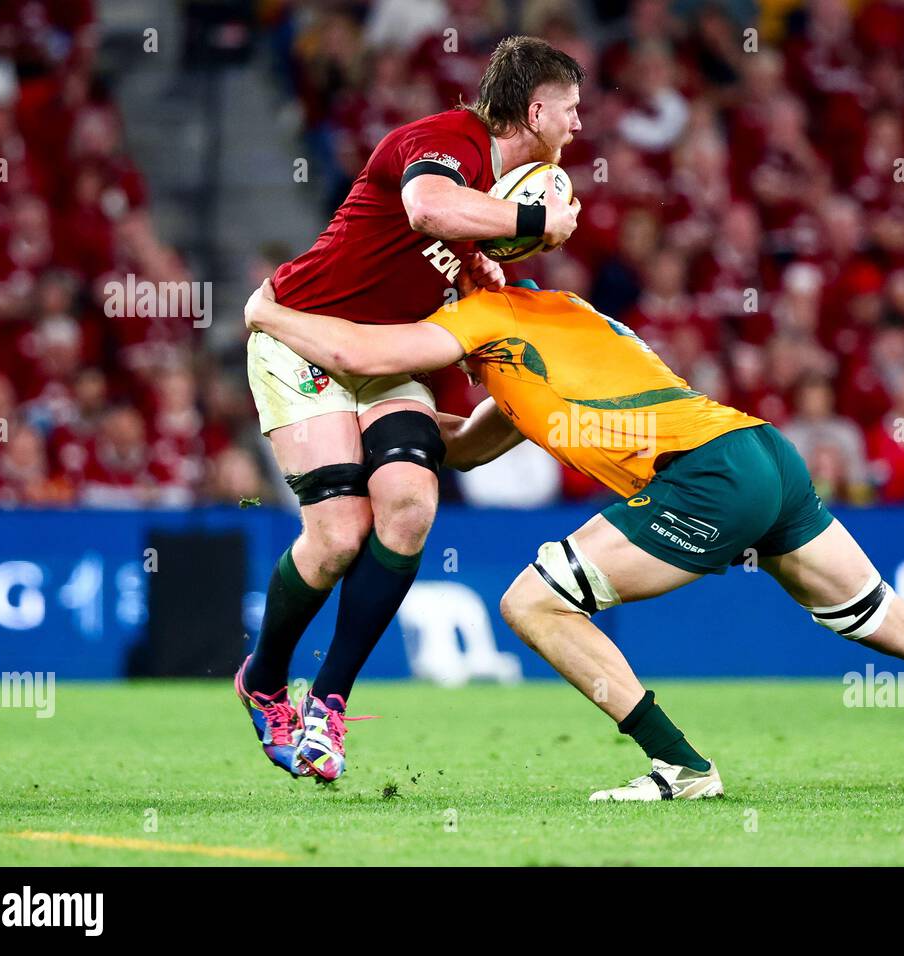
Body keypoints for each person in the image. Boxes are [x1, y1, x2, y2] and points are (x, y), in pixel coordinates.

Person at [244, 279, 904, 799]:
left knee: (530, 600)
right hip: (761, 455)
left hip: (705, 474)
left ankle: (679, 768)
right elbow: (468, 445)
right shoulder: (542, 339)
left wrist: (273, 319)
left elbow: (364, 354)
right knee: (886, 618)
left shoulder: (485, 315)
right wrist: (382, 440)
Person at [238, 36, 584, 781]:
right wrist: (532, 224)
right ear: (535, 108)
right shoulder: (439, 141)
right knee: (336, 535)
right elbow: (426, 207)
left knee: (410, 503)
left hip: (384, 358)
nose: (578, 124)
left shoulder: (478, 220)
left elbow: (451, 261)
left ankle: (328, 705)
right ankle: (265, 680)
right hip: (303, 337)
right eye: (572, 108)